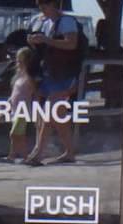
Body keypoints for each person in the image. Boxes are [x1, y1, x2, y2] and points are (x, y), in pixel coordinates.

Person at [25, 0, 84, 165]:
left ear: (53, 5)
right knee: (56, 115)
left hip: (64, 73)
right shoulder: (41, 21)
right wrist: (34, 41)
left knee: (50, 111)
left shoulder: (66, 22)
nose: (42, 9)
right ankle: (69, 152)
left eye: (45, 5)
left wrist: (45, 40)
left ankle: (38, 153)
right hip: (48, 72)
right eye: (40, 6)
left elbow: (72, 44)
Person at [1, 48, 39, 163]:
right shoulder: (19, 77)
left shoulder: (29, 78)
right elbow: (15, 92)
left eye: (20, 61)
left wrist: (37, 110)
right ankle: (12, 155)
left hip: (23, 110)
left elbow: (35, 93)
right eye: (17, 61)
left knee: (15, 134)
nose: (18, 64)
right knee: (18, 135)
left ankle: (24, 156)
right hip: (15, 109)